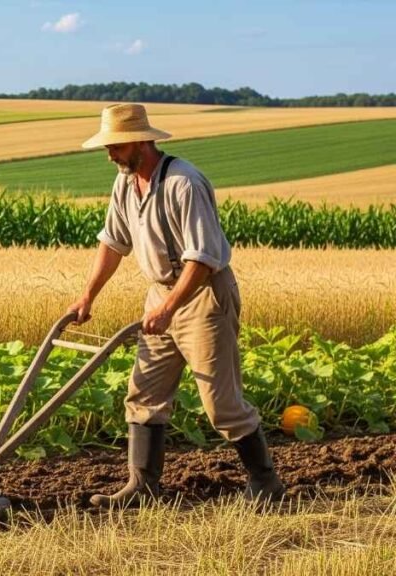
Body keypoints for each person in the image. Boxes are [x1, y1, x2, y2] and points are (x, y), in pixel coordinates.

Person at [67, 103, 285, 508]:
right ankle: (142, 487)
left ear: (141, 141)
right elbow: (112, 243)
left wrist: (169, 307)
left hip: (202, 296)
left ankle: (265, 482)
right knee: (143, 394)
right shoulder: (125, 185)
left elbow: (202, 258)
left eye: (115, 146)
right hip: (161, 294)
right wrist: (87, 296)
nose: (109, 154)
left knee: (221, 405)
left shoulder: (184, 183)